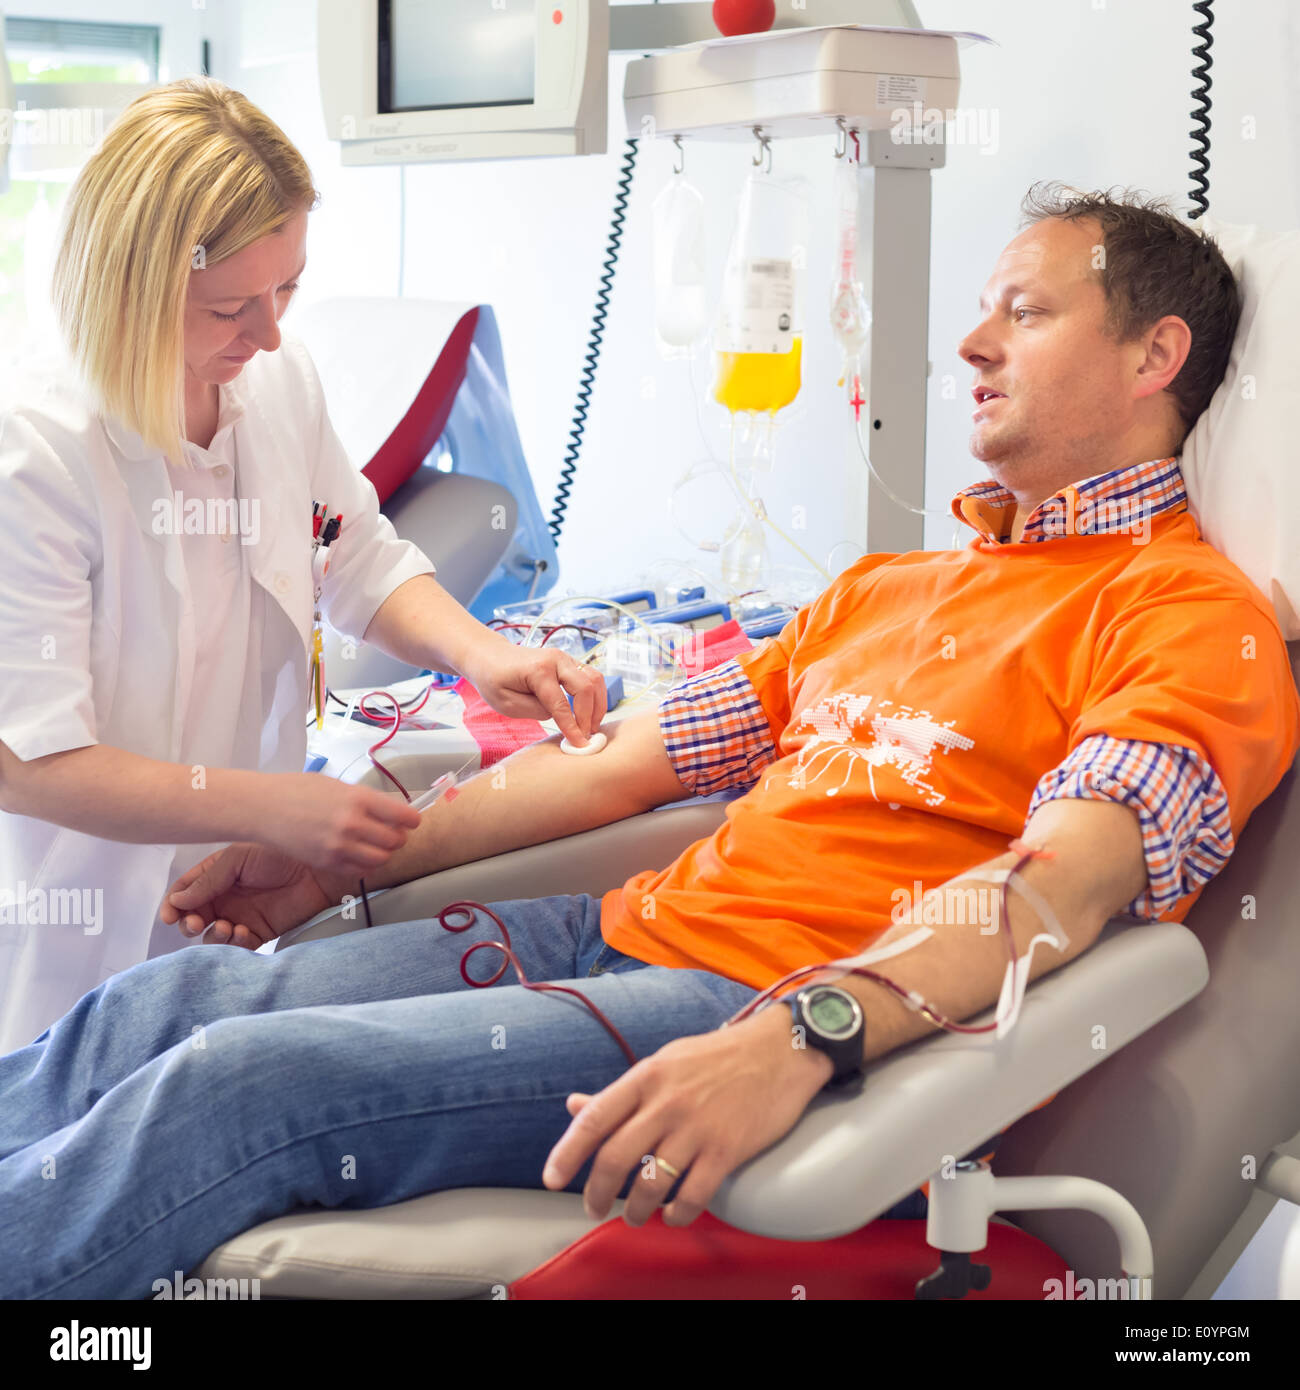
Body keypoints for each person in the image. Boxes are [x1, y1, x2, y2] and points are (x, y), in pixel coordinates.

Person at [1, 184, 1296, 1301]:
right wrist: (351, 862)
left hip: (755, 1002)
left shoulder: (1189, 619)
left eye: (1026, 310)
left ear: (1153, 355)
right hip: (623, 934)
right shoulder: (889, 588)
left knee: (238, 1081)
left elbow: (1066, 886)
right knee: (165, 1005)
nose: (970, 339)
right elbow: (627, 756)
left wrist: (801, 1036)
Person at [0, 78, 604, 1053]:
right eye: (232, 305)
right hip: (68, 932)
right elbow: (28, 763)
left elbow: (356, 554)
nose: (271, 331)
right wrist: (279, 807)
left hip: (233, 909)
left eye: (287, 289)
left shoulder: (275, 381)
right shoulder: (34, 450)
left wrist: (484, 654)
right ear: (129, 289)